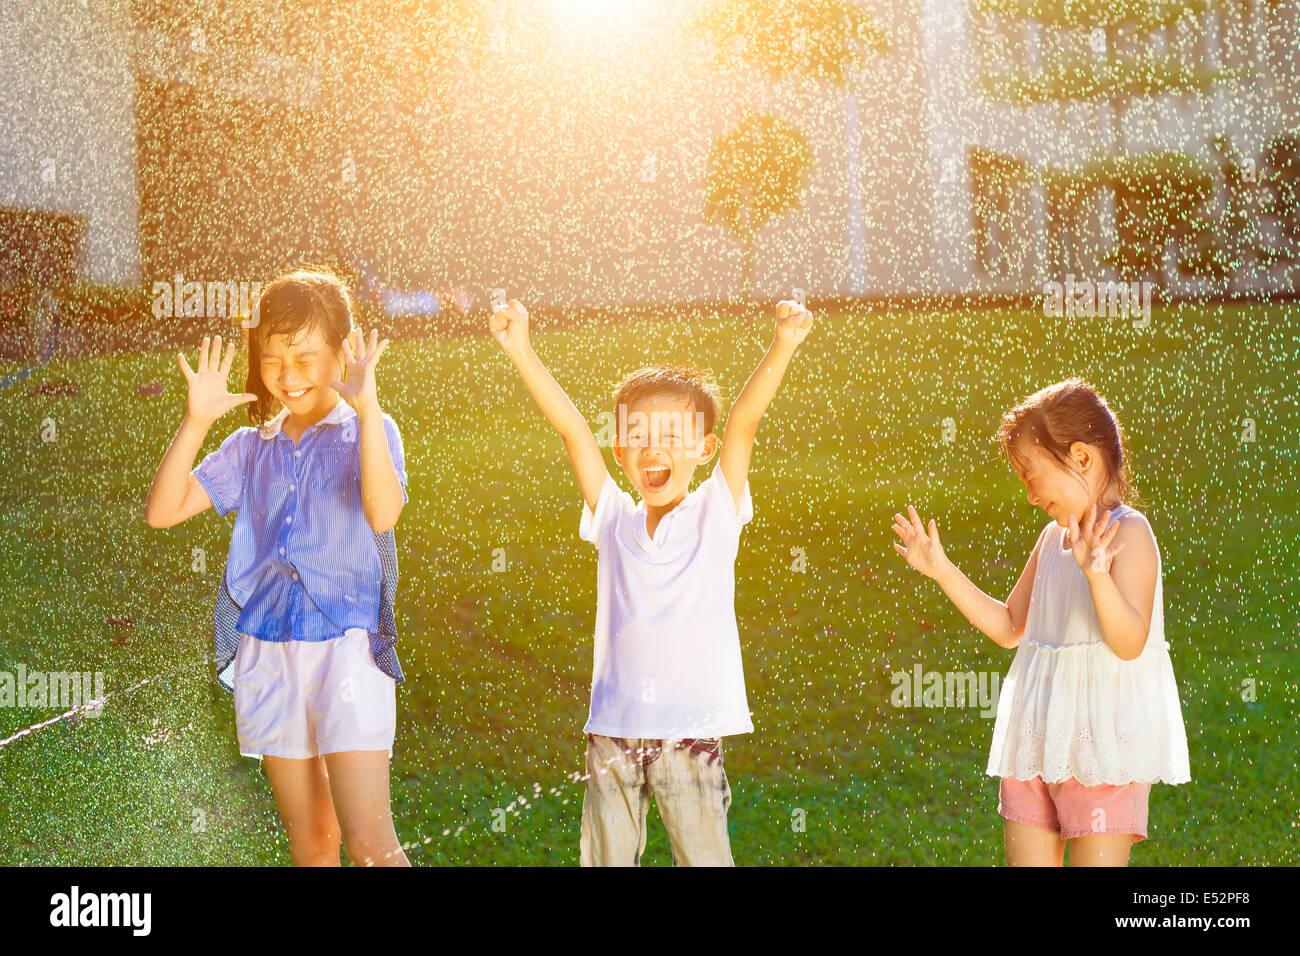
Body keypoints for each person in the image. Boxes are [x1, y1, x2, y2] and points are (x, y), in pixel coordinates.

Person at [487, 296, 813, 865]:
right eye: (637, 435)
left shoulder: (716, 512)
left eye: (670, 433)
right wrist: (521, 349)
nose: (652, 447)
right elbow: (570, 430)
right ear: (620, 450)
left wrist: (782, 342)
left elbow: (744, 421)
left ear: (703, 449)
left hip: (687, 736)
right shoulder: (613, 516)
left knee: (703, 858)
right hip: (613, 731)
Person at [145, 268, 411, 866]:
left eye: (306, 356)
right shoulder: (250, 446)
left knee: (371, 849)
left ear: (343, 353)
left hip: (347, 649)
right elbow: (163, 512)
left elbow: (383, 513)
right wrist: (197, 420)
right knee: (312, 843)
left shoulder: (368, 431)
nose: (288, 375)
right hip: (267, 652)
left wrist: (367, 409)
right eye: (272, 359)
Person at [891, 378, 1190, 866]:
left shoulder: (1130, 534)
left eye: (1030, 476)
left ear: (1081, 459)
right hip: (1037, 743)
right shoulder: (1053, 540)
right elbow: (1011, 625)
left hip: (1103, 753)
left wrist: (1096, 576)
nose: (1029, 495)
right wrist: (941, 570)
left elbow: (1130, 641)